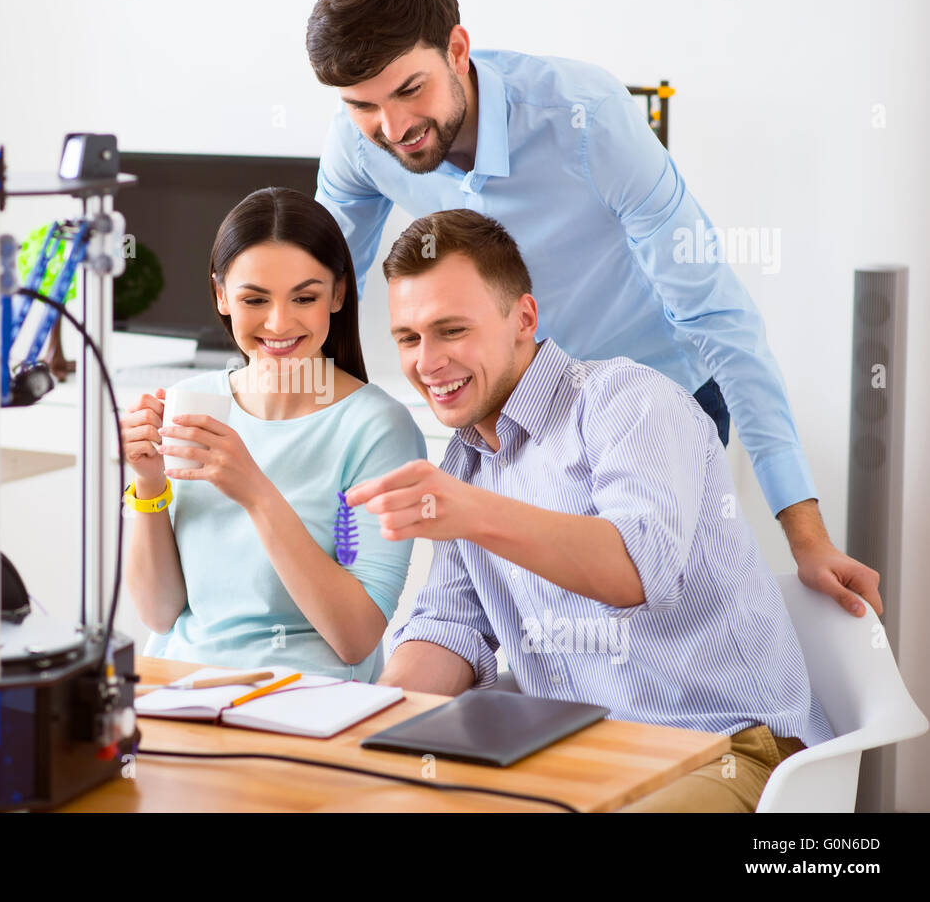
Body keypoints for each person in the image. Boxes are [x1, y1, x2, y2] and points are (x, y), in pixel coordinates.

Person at [307, 0, 880, 618]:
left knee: (645, 622)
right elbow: (319, 293)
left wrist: (806, 537)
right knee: (526, 625)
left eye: (410, 90)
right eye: (362, 105)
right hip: (519, 413)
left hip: (659, 397)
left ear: (457, 50)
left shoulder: (588, 118)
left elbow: (717, 316)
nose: (392, 126)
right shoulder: (360, 145)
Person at [346, 209, 833, 811]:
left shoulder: (629, 403)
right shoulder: (465, 466)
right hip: (571, 753)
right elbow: (448, 630)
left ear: (523, 318)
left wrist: (470, 512)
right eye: (409, 338)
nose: (427, 362)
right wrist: (372, 717)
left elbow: (635, 569)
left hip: (729, 748)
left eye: (452, 330)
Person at [121, 187, 426, 681]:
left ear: (339, 293)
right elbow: (159, 614)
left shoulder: (376, 427)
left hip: (302, 704)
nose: (279, 322)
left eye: (304, 297)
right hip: (178, 691)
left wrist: (255, 491)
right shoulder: (191, 401)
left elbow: (355, 638)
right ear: (221, 294)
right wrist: (148, 484)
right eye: (254, 299)